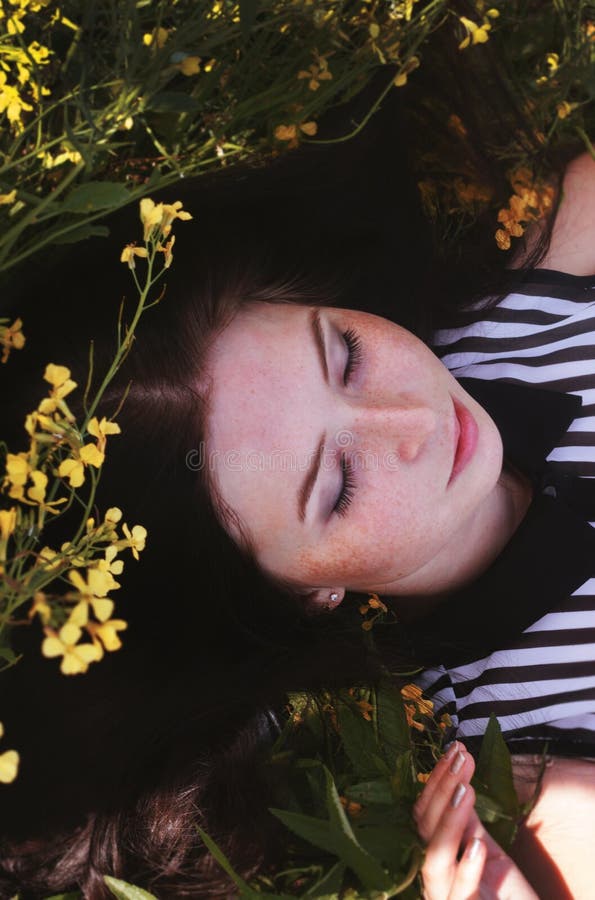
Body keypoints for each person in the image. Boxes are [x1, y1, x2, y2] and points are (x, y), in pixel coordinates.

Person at [0, 76, 594, 896]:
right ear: (302, 594)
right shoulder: (526, 755)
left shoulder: (520, 311)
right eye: (338, 484)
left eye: (346, 355)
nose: (410, 419)